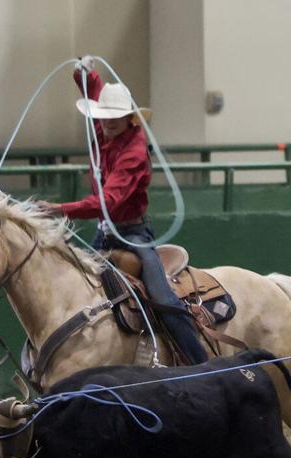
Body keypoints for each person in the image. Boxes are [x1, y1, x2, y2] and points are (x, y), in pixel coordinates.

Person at [39, 57, 207, 365]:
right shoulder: (107, 130)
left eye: (115, 116)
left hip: (133, 234)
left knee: (163, 298)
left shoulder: (132, 151)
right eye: (104, 115)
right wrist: (83, 72)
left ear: (130, 118)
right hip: (104, 233)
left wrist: (60, 209)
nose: (107, 121)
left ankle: (202, 366)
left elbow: (109, 201)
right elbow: (96, 89)